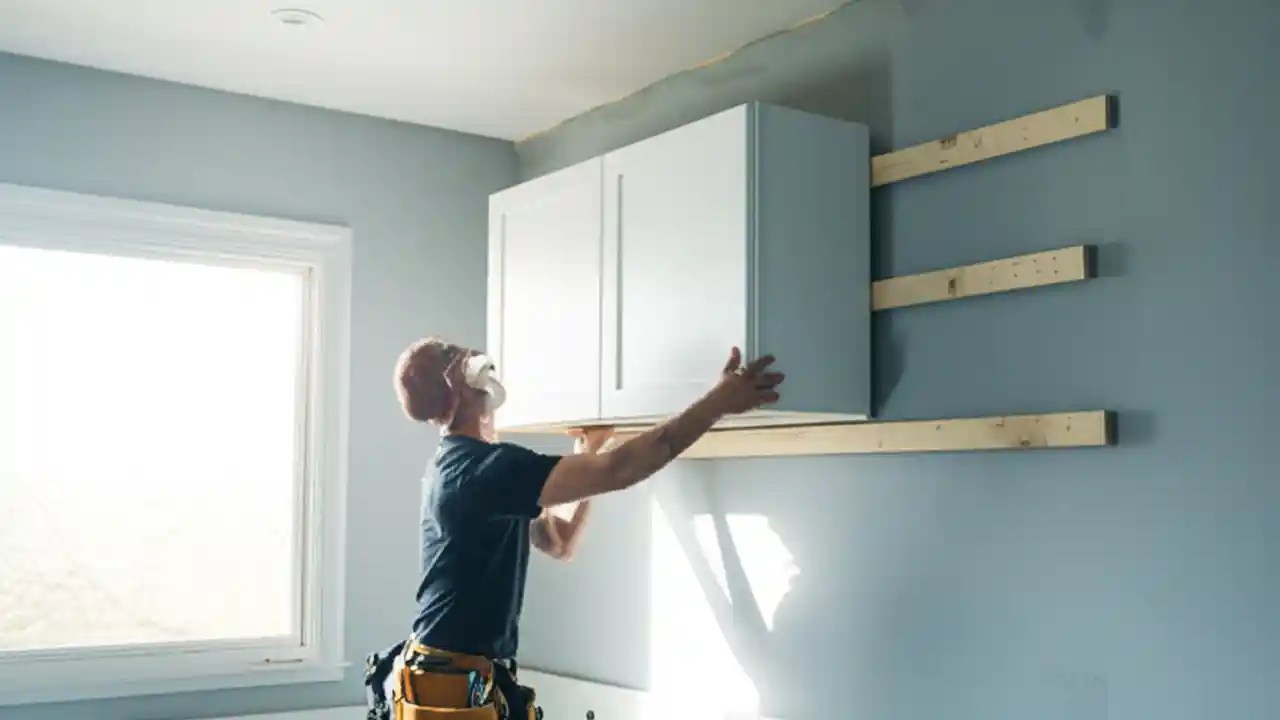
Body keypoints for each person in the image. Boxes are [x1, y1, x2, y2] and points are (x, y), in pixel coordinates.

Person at [364, 337, 784, 719]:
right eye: (452, 352)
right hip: (453, 685)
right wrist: (719, 402)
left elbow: (559, 542)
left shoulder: (459, 466)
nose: (468, 351)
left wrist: (586, 450)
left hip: (452, 675)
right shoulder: (479, 470)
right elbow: (619, 470)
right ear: (454, 380)